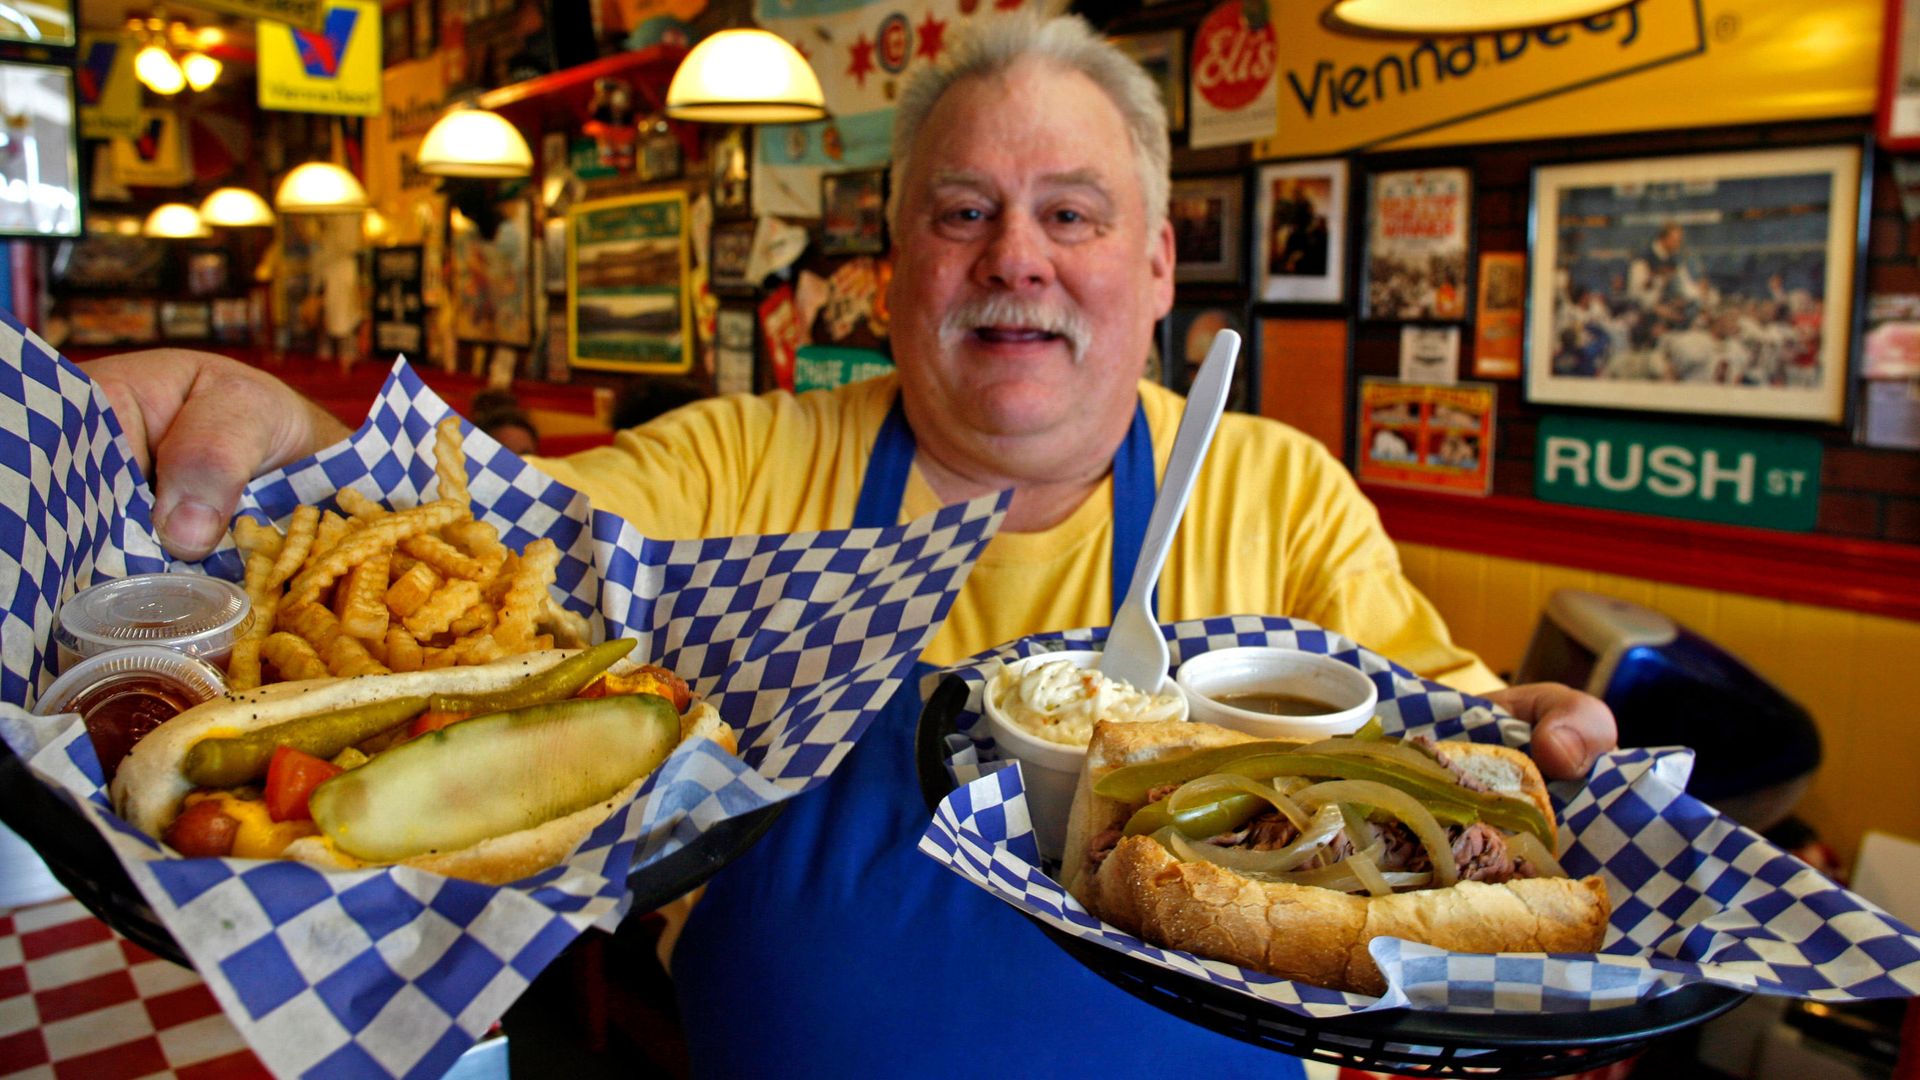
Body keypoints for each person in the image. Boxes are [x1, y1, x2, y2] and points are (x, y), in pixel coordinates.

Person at [85, 14, 1616, 1077]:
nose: (1015, 256)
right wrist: (301, 444)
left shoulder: (1279, 492)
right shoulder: (740, 465)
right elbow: (475, 534)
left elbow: (1455, 762)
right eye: (962, 213)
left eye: (1072, 214)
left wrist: (1538, 734)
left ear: (1157, 266)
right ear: (891, 277)